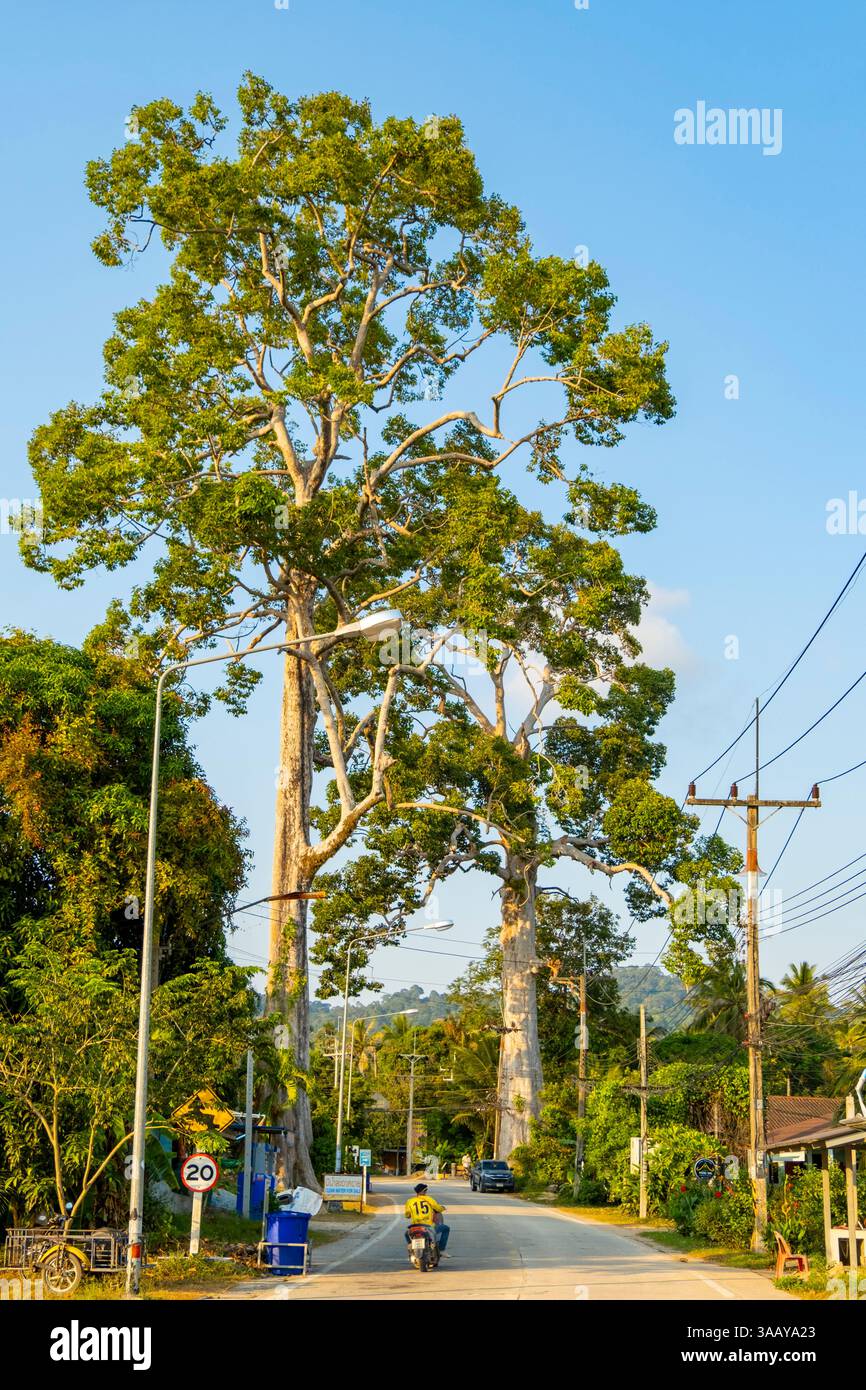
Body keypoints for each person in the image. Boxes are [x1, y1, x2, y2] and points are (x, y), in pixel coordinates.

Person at [404, 1182, 450, 1254]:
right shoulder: (429, 1199)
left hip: (415, 1227)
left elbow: (407, 1215)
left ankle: (411, 1247)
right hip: (428, 1227)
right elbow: (438, 1209)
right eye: (426, 1190)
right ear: (424, 1191)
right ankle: (441, 1250)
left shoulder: (409, 1201)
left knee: (407, 1234)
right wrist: (442, 1208)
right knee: (446, 1228)